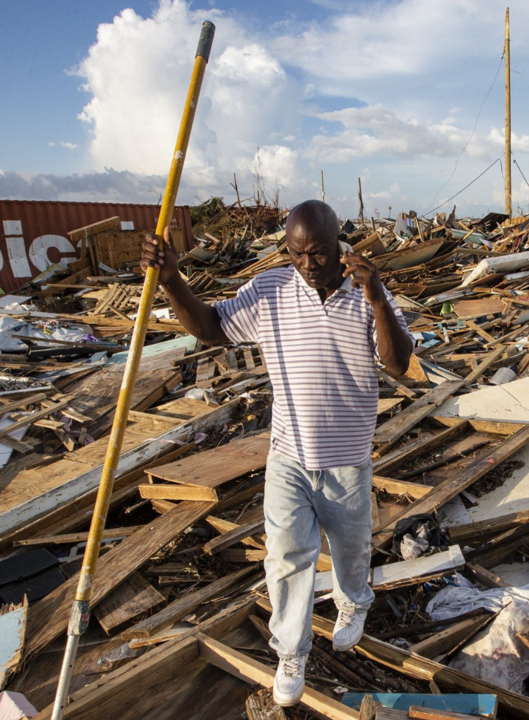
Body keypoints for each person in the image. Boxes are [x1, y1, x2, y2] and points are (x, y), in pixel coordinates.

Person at [140, 200, 413, 707]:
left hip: (347, 459)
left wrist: (376, 300)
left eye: (320, 253)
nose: (308, 265)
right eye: (297, 254)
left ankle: (355, 601)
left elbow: (397, 365)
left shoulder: (365, 291)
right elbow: (210, 328)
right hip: (288, 456)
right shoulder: (270, 290)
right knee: (287, 559)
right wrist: (172, 281)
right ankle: (292, 649)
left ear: (340, 245)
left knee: (351, 551)